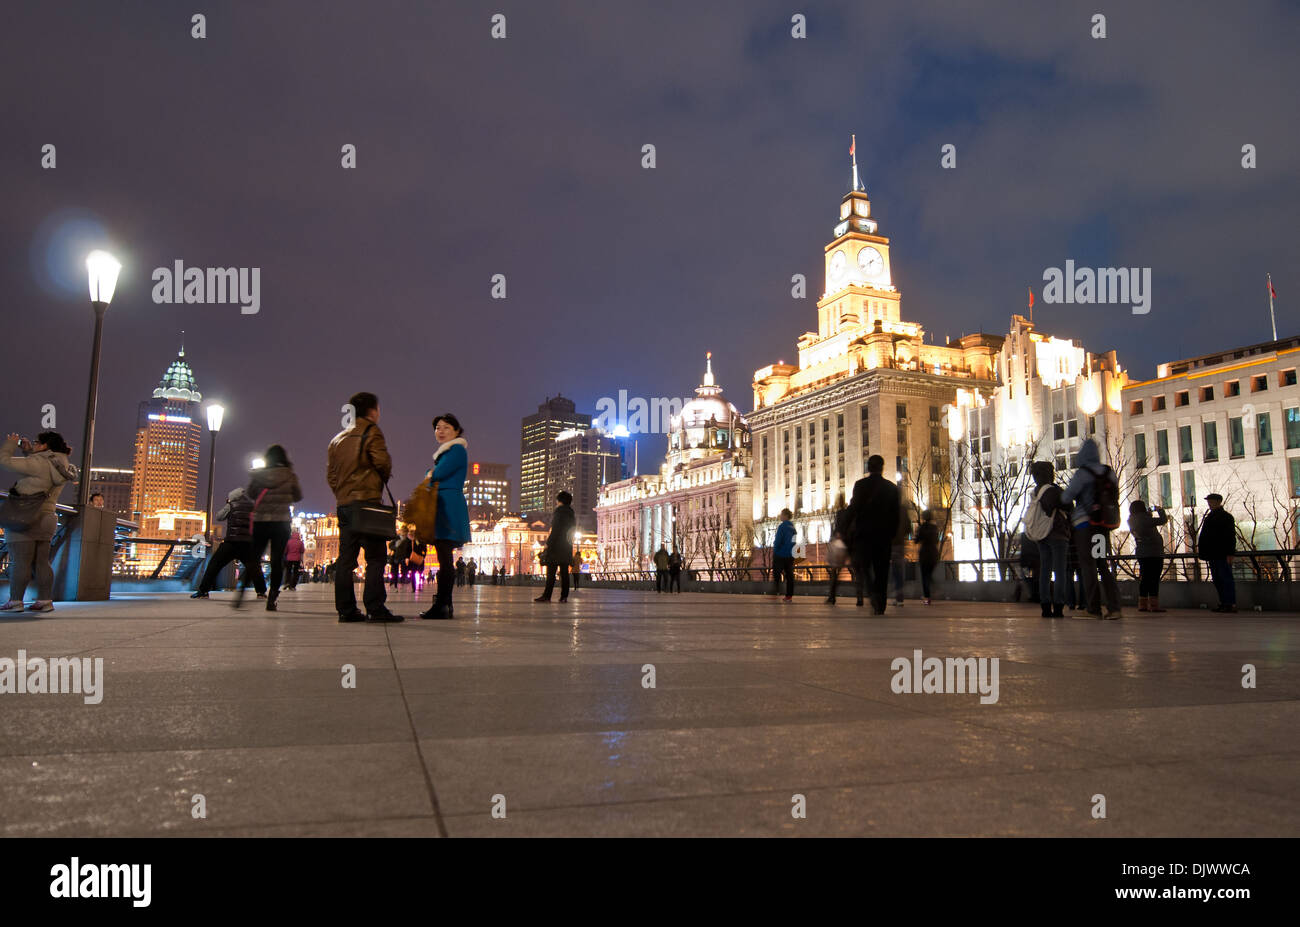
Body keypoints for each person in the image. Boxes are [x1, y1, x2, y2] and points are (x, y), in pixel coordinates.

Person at [328, 391, 402, 622]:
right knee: (376, 557)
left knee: (345, 559)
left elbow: (331, 476)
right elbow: (382, 463)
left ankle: (346, 610)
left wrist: (343, 493)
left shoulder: (337, 440)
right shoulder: (372, 431)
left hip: (345, 505)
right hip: (368, 505)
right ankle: (375, 607)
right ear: (373, 411)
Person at [0, 432, 77, 613]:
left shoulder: (38, 463)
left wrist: (11, 444)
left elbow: (4, 461)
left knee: (20, 562)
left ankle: (16, 601)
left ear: (44, 446)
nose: (33, 444)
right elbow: (43, 469)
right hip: (48, 517)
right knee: (42, 562)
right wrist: (29, 452)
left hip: (25, 517)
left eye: (36, 443)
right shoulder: (63, 464)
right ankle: (44, 600)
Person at [1061, 438, 1122, 619]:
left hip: (1085, 526)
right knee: (1102, 564)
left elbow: (1067, 497)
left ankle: (1093, 609)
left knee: (1088, 566)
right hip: (1103, 526)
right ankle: (1115, 607)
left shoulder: (1082, 474)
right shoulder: (1109, 472)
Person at [419, 414, 471, 620]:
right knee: (444, 556)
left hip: (448, 505)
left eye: (446, 428)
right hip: (444, 504)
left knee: (444, 558)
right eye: (437, 428)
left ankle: (442, 605)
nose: (440, 431)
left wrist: (429, 473)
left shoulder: (456, 450)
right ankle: (445, 604)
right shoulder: (446, 452)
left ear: (457, 431)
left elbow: (439, 474)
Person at [245, 445, 302, 613]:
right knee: (277, 561)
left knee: (255, 556)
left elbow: (251, 493)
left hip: (261, 521)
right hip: (281, 522)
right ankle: (272, 597)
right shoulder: (290, 475)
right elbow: (298, 495)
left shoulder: (260, 474)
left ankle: (242, 589)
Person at [848, 455, 900, 614]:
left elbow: (854, 508)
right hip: (883, 537)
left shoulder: (860, 485)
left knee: (865, 567)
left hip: (864, 536)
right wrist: (891, 534)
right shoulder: (891, 488)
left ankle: (873, 593)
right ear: (882, 467)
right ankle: (881, 605)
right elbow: (896, 515)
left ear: (868, 468)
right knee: (882, 570)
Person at [192, 487, 266, 599]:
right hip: (247, 543)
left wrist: (228, 504)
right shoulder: (253, 507)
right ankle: (261, 592)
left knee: (214, 565)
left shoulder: (231, 505)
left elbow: (219, 516)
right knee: (255, 567)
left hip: (231, 542)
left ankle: (203, 591)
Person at [1027, 460, 1071, 618]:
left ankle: (1045, 606)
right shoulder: (1052, 491)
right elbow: (1068, 505)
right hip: (1057, 534)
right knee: (1060, 571)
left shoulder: (1035, 491)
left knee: (1045, 570)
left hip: (1041, 534)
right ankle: (1058, 606)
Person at [1197, 493, 1237, 613]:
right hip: (1214, 553)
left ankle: (1229, 603)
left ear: (1218, 501)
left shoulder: (1224, 517)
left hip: (1221, 553)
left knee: (1224, 578)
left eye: (1211, 501)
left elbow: (1230, 536)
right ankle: (1225, 602)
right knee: (1218, 579)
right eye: (1209, 501)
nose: (1209, 504)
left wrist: (1230, 553)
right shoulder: (1211, 516)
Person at [535, 491, 576, 603]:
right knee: (564, 573)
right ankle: (564, 597)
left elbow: (555, 530)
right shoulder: (572, 514)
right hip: (567, 546)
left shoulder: (559, 512)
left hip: (556, 546)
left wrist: (548, 544)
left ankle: (547, 596)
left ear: (560, 501)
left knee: (551, 573)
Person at [1128, 500, 1168, 613]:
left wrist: (1148, 515)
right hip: (1153, 552)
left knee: (1145, 578)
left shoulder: (1132, 520)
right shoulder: (1143, 519)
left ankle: (1143, 604)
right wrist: (1160, 510)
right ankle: (1154, 605)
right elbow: (1163, 520)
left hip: (1142, 552)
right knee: (1154, 578)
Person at [825, 495, 852, 605]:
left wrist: (835, 538)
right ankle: (860, 598)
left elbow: (837, 529)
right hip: (849, 544)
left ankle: (832, 596)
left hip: (841, 545)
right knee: (858, 571)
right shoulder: (850, 513)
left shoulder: (841, 513)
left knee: (835, 571)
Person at [890, 501, 912, 606]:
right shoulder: (903, 510)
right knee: (899, 569)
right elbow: (909, 528)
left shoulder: (889, 509)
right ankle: (899, 596)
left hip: (893, 544)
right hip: (901, 544)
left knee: (895, 570)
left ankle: (898, 594)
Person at [916, 511, 940, 605]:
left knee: (924, 576)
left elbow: (917, 540)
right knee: (929, 574)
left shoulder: (922, 528)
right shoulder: (934, 528)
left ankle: (927, 596)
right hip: (933, 554)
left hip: (925, 554)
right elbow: (937, 540)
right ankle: (932, 588)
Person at [771, 509, 796, 601]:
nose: (780, 516)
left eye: (781, 514)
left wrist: (775, 550)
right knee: (789, 575)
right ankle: (789, 595)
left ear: (785, 516)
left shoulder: (782, 527)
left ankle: (776, 591)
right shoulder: (793, 528)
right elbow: (794, 542)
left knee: (776, 572)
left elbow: (778, 540)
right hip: (790, 554)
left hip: (780, 554)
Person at [1016, 531, 1040, 604]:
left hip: (1026, 561)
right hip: (1036, 561)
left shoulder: (1024, 535)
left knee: (1026, 580)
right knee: (1036, 579)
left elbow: (1023, 550)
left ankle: (1031, 596)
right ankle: (1035, 596)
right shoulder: (1038, 533)